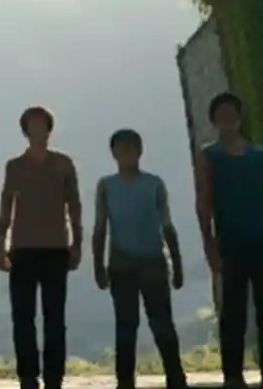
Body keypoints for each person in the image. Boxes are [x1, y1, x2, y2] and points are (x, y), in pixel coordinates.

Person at [194, 92, 263, 389]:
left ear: (239, 117)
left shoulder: (258, 154)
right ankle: (233, 375)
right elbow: (204, 200)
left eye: (231, 113)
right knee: (233, 311)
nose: (227, 119)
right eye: (221, 114)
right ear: (214, 120)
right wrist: (208, 241)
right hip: (231, 242)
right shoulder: (210, 155)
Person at [92, 129, 188, 389]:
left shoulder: (154, 184)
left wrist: (177, 265)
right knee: (126, 324)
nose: (126, 155)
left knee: (162, 322)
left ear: (140, 152)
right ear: (114, 154)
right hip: (121, 263)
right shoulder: (106, 186)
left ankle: (175, 375)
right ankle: (125, 379)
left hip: (154, 261)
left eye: (131, 149)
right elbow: (100, 227)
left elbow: (167, 225)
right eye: (121, 150)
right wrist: (98, 265)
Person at [0, 106, 82, 389]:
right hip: (22, 248)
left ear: (48, 128)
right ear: (25, 130)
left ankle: (54, 377)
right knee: (23, 316)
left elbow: (75, 205)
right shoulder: (15, 166)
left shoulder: (63, 164)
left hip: (56, 246)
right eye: (31, 124)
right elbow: (7, 204)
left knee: (54, 316)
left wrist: (77, 243)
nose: (37, 128)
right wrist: (0, 243)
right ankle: (28, 377)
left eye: (41, 123)